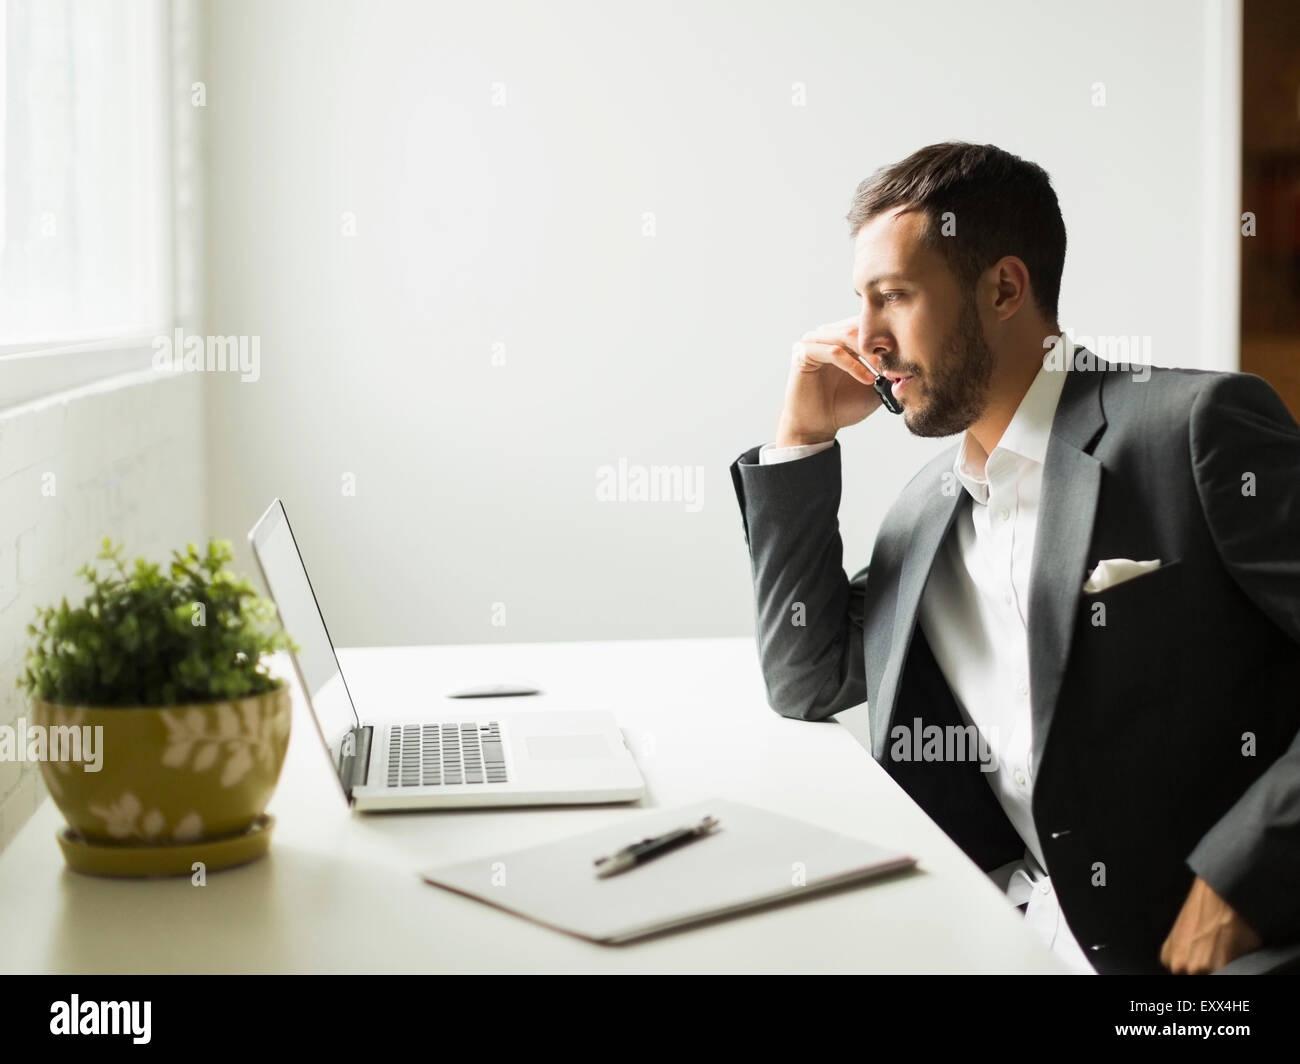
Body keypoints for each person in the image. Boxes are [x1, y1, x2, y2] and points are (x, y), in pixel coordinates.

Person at [730, 141, 1300, 974]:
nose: (868, 340)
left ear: (1003, 288)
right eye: (861, 303)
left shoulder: (1195, 426)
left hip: (1210, 961)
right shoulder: (926, 512)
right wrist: (800, 440)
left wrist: (1242, 882)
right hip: (1008, 931)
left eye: (895, 297)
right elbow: (807, 676)